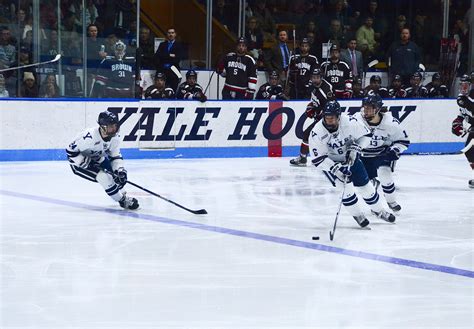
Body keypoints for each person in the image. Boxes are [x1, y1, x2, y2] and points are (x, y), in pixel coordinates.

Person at [309, 100, 397, 227]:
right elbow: (318, 159)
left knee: (367, 188)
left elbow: (367, 135)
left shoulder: (350, 122)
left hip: (351, 159)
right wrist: (335, 169)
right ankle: (358, 215)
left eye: (332, 118)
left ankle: (379, 211)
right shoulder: (317, 132)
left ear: (339, 116)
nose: (329, 121)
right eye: (327, 118)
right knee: (346, 190)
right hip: (331, 163)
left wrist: (357, 148)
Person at [66, 110, 139, 210]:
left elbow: (115, 156)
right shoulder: (88, 137)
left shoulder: (115, 137)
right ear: (103, 127)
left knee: (117, 176)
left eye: (115, 126)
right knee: (104, 177)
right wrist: (85, 162)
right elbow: (70, 151)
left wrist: (120, 170)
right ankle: (122, 201)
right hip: (78, 163)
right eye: (111, 127)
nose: (114, 129)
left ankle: (123, 195)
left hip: (98, 158)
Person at [353, 95, 410, 211]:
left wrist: (395, 150)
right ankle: (376, 204)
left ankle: (391, 201)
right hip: (364, 155)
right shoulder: (356, 120)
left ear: (378, 109)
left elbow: (403, 141)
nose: (366, 111)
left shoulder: (391, 123)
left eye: (370, 108)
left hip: (382, 153)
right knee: (366, 186)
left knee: (385, 174)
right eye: (365, 108)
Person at [290, 68, 334, 166]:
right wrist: (312, 107)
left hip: (327, 120)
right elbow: (316, 102)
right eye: (313, 77)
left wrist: (316, 113)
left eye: (317, 78)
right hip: (321, 118)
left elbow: (330, 107)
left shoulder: (325, 89)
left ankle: (302, 159)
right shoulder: (313, 87)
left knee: (306, 135)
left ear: (321, 78)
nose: (315, 80)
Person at [452, 74, 474, 188]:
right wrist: (458, 122)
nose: (463, 88)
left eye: (466, 85)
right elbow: (463, 113)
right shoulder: (462, 98)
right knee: (470, 152)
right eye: (461, 85)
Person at [154, 27, 185, 92]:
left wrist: (164, 56)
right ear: (167, 34)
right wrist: (169, 55)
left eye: (172, 33)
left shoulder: (179, 45)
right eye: (169, 33)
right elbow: (157, 56)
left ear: (175, 34)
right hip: (162, 70)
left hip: (174, 72)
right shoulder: (162, 45)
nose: (171, 34)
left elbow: (177, 59)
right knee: (160, 91)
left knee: (172, 92)